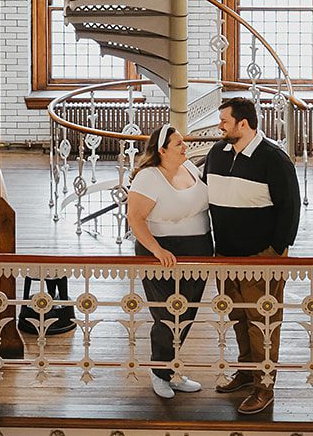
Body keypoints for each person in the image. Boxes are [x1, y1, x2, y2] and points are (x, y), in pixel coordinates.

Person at [202, 96, 301, 416]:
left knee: (263, 322)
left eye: (224, 121)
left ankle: (264, 385)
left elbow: (290, 208)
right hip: (226, 256)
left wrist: (275, 251)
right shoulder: (218, 153)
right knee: (239, 317)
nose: (219, 126)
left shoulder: (274, 159)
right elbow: (204, 192)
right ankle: (247, 371)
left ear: (243, 125)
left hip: (261, 257)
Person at [126, 124, 212, 400]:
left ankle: (171, 370)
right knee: (167, 315)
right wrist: (157, 250)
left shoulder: (190, 169)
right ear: (162, 150)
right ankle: (159, 372)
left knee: (185, 316)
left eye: (183, 142)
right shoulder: (148, 177)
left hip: (198, 252)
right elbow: (136, 219)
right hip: (163, 254)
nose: (185, 146)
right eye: (178, 144)